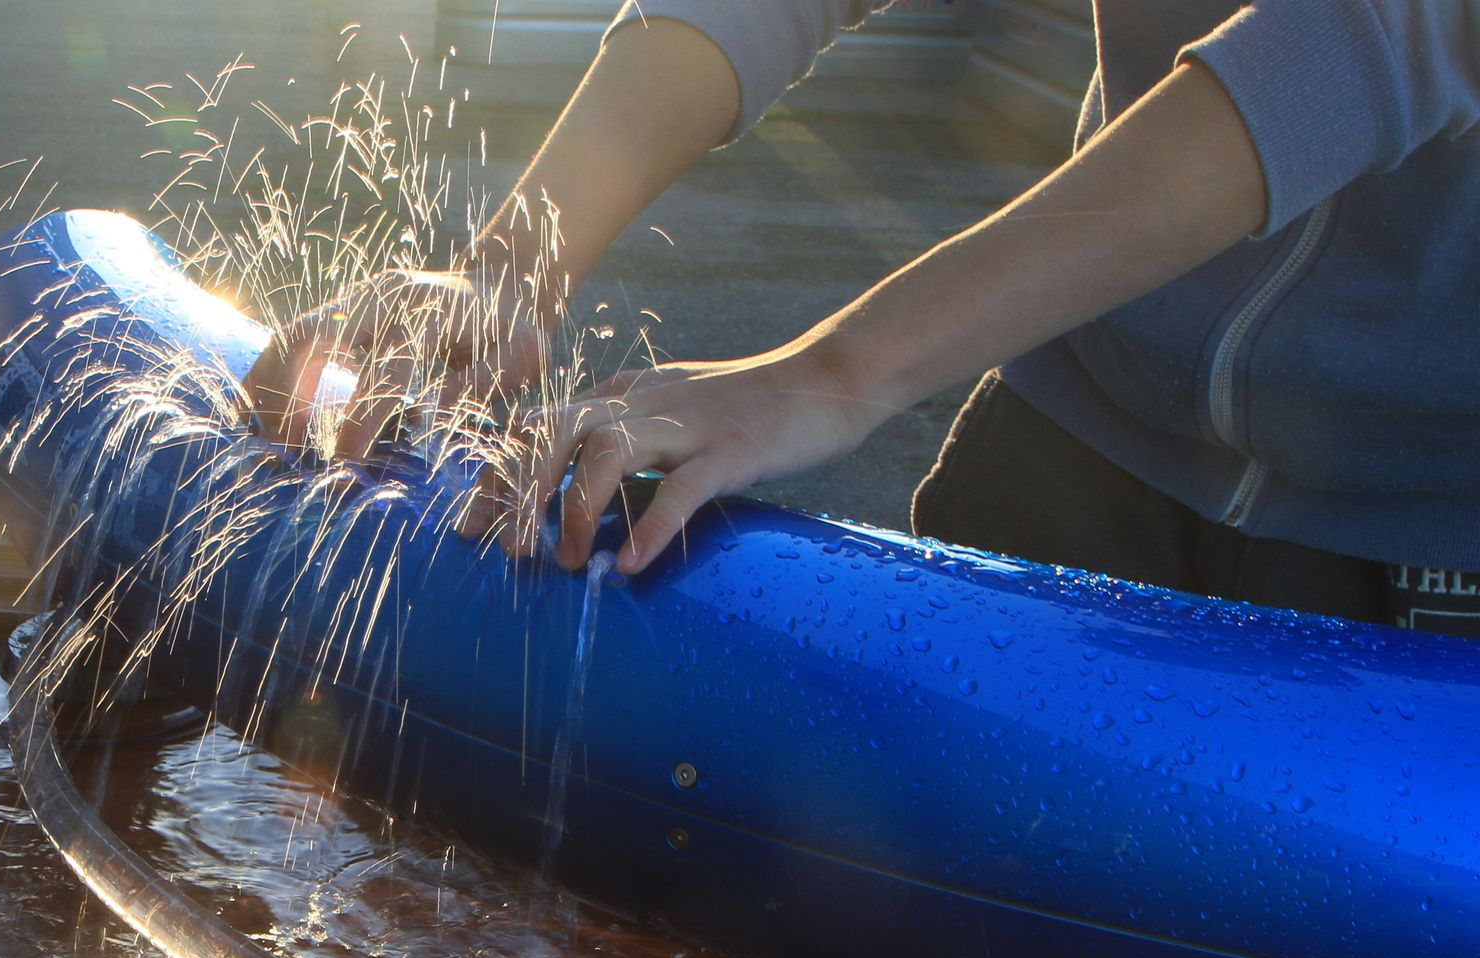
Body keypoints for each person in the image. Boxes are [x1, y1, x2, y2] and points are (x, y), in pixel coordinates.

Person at [251, 1, 1480, 630]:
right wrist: (516, 264)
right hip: (1081, 426)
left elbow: (1354, 42)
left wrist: (829, 373)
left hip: (1408, 514)